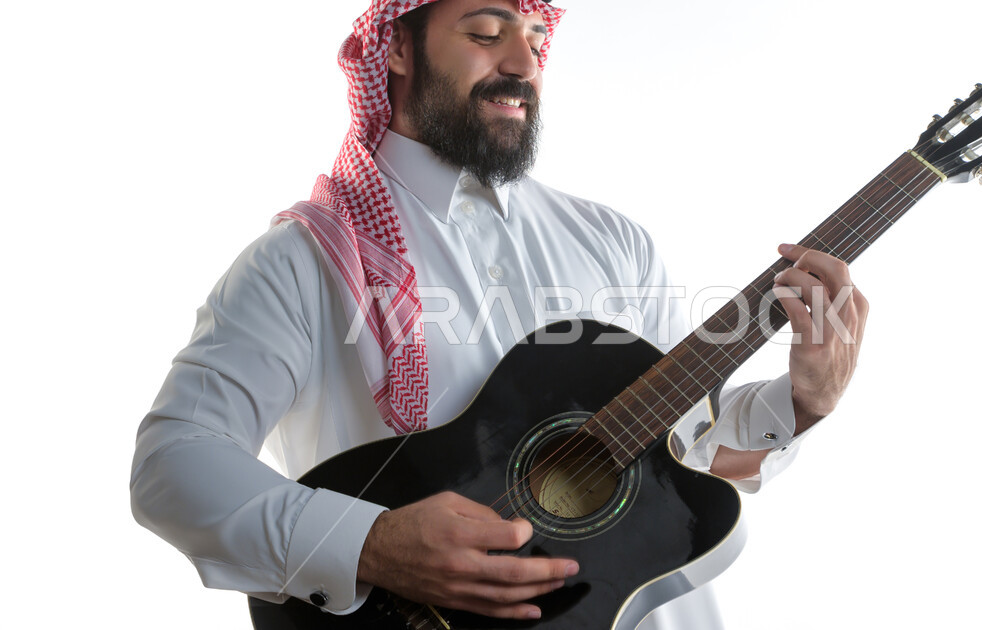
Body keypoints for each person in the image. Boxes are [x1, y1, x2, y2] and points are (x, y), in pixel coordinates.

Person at [129, 0, 868, 628]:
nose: (523, 61)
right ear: (395, 47)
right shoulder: (302, 262)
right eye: (486, 33)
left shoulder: (614, 244)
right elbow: (175, 460)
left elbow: (686, 461)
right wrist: (373, 542)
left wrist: (798, 405)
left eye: (537, 38)